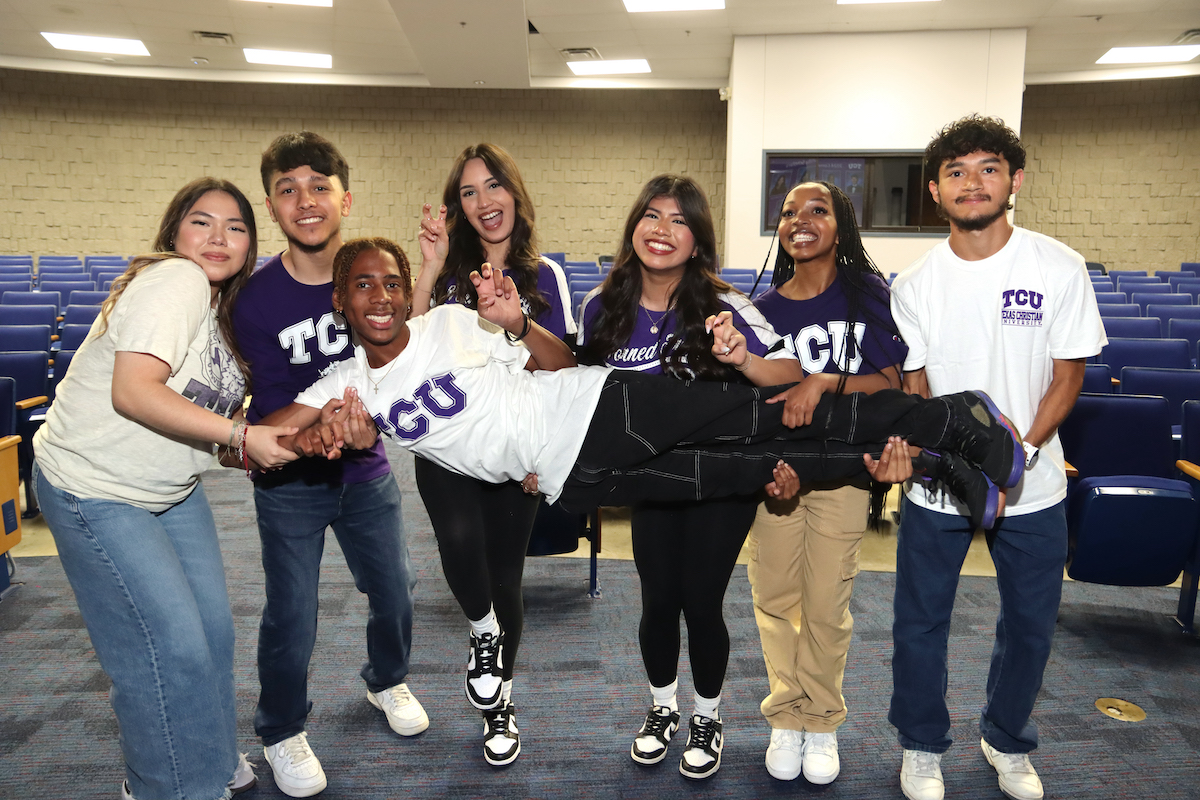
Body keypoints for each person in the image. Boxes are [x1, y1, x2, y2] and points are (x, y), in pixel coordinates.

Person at [271, 236, 1019, 552]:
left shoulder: (446, 327)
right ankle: (922, 461)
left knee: (768, 420)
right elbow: (268, 439)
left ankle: (954, 418)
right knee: (758, 466)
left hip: (598, 409)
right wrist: (315, 436)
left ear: (409, 293)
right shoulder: (346, 384)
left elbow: (553, 360)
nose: (379, 295)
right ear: (338, 299)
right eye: (361, 284)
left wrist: (512, 319)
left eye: (392, 282)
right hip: (573, 476)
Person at [33, 178, 299, 800]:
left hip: (168, 489)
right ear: (174, 233)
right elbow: (135, 393)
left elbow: (206, 430)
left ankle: (205, 752)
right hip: (92, 486)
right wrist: (241, 437)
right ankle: (166, 786)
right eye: (200, 222)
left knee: (211, 631)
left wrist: (277, 441)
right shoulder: (173, 282)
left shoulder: (225, 315)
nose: (217, 238)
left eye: (234, 227)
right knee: (165, 647)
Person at [888, 115, 1106, 800]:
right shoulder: (914, 285)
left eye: (988, 168)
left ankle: (1007, 738)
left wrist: (1020, 452)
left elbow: (1067, 376)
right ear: (934, 190)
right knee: (920, 621)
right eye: (956, 171)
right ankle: (922, 745)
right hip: (940, 486)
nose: (972, 182)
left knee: (1032, 626)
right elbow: (916, 390)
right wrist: (935, 459)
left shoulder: (1058, 266)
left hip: (1033, 484)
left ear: (1015, 179)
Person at [577, 174, 803, 780]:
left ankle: (707, 714)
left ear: (698, 241)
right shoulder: (602, 308)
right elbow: (577, 392)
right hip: (651, 483)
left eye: (679, 221)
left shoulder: (726, 307)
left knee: (701, 601)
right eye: (652, 215)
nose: (662, 230)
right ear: (634, 227)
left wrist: (741, 358)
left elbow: (788, 371)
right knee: (657, 601)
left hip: (718, 481)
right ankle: (662, 707)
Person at [232, 131, 425, 798]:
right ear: (270, 205)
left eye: (319, 187)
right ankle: (282, 730)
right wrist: (324, 424)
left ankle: (386, 680)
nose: (305, 200)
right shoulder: (255, 301)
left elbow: (405, 360)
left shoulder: (372, 273)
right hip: (291, 481)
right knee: (293, 614)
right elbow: (271, 409)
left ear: (346, 198)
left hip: (366, 474)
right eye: (288, 189)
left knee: (395, 591)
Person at [410, 143, 575, 766]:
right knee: (457, 542)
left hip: (515, 450)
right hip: (449, 444)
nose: (485, 202)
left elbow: (561, 367)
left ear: (515, 193)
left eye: (494, 186)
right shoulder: (448, 273)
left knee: (507, 575)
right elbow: (408, 349)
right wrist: (427, 269)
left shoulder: (545, 275)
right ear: (458, 207)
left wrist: (515, 322)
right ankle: (481, 634)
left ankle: (499, 708)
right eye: (470, 192)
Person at [749, 180, 909, 785]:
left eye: (818, 210)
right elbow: (754, 400)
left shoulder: (868, 294)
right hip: (778, 478)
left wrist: (823, 379)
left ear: (841, 227)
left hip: (842, 476)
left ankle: (821, 722)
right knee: (776, 598)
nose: (800, 220)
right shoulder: (762, 310)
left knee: (826, 604)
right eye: (789, 212)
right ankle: (784, 717)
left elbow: (892, 384)